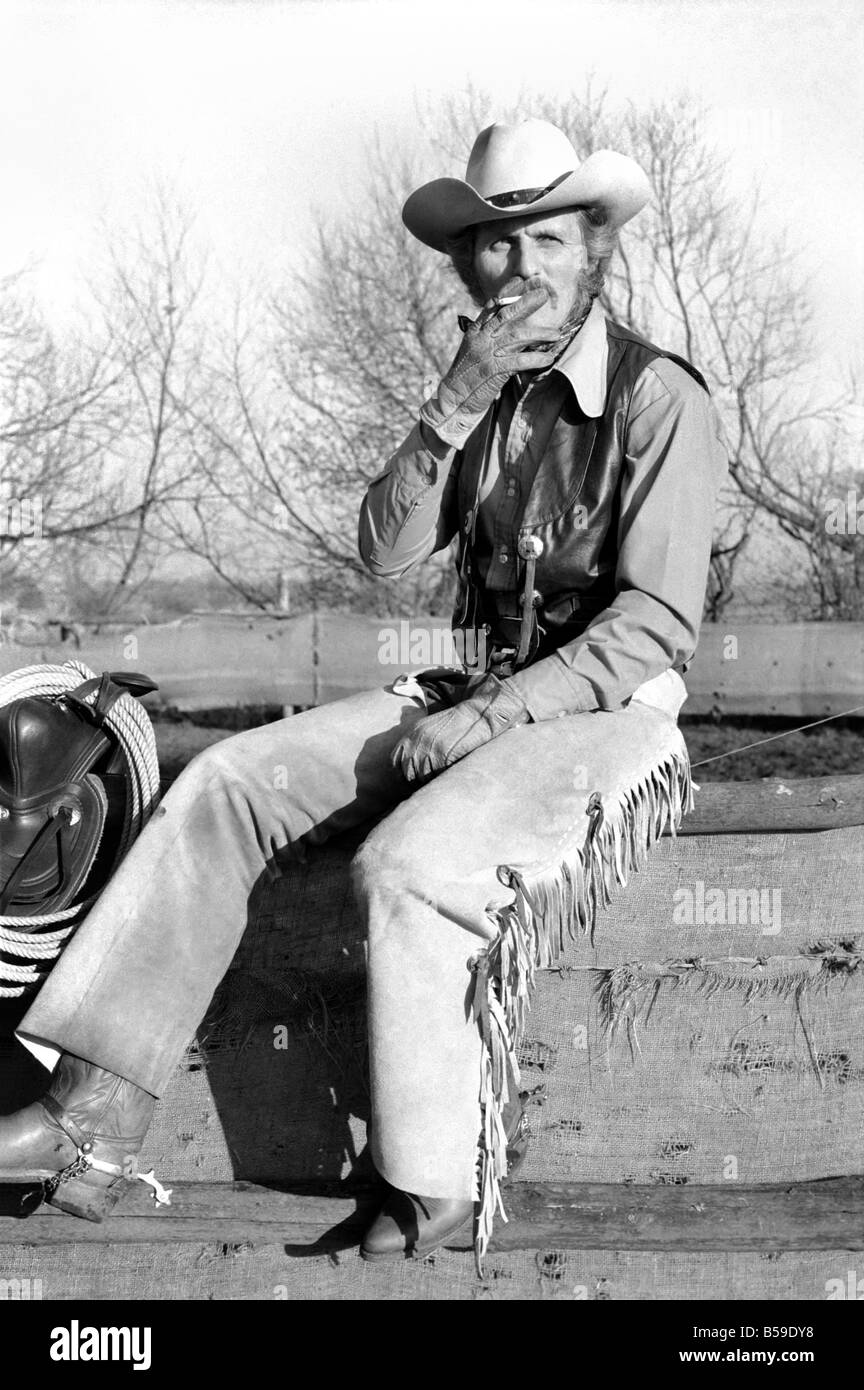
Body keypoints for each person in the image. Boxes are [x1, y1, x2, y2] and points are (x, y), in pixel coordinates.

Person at [0, 118, 728, 1270]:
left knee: (407, 865)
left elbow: (654, 623)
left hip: (605, 712)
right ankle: (86, 1125)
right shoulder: (485, 390)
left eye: (543, 237)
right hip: (466, 686)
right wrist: (454, 397)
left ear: (593, 247)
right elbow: (385, 551)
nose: (516, 267)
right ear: (464, 265)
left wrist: (494, 717)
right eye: (490, 244)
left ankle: (432, 1184)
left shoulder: (659, 399)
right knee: (227, 778)